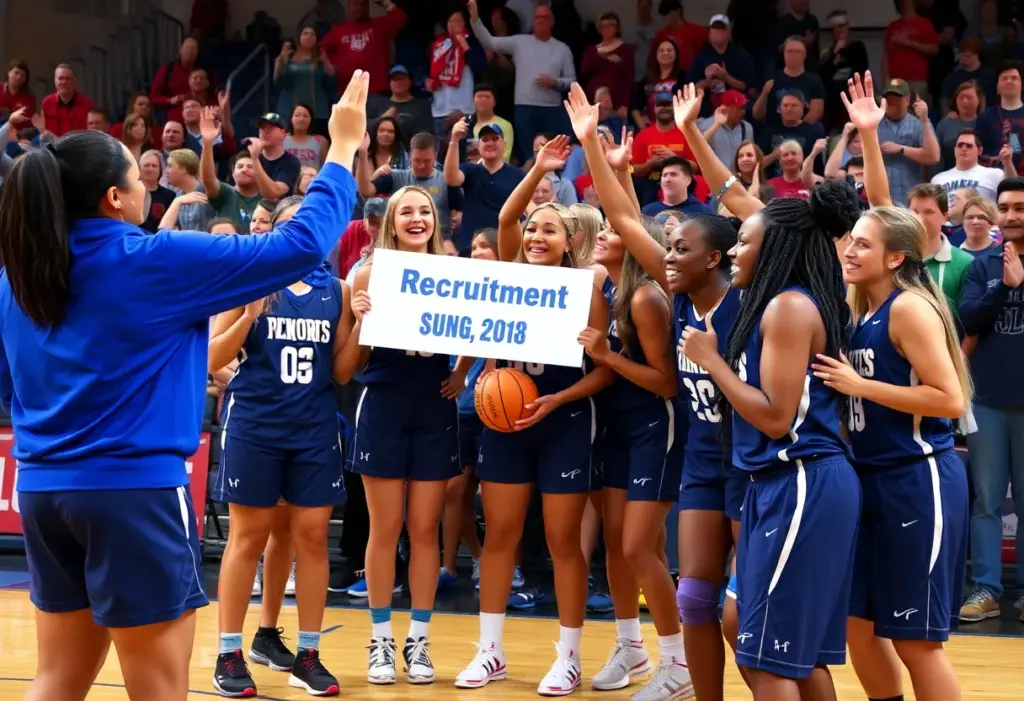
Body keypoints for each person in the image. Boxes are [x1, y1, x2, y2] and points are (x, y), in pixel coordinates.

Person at [0, 71, 368, 701]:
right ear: (116, 198)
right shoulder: (154, 258)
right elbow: (302, 245)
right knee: (160, 689)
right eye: (138, 177)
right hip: (133, 495)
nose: (148, 186)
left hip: (40, 490)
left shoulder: (18, 276)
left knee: (57, 680)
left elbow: (11, 392)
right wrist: (341, 148)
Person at [674, 81, 863, 701]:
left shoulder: (786, 306)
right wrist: (693, 133)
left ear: (773, 246)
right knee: (770, 643)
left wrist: (712, 363)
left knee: (772, 659)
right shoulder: (782, 293)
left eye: (743, 242)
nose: (733, 250)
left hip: (800, 475)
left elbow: (779, 418)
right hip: (774, 483)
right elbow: (734, 197)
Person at [811, 69, 971, 701]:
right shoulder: (858, 301)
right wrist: (869, 138)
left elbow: (950, 401)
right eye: (848, 241)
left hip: (917, 476)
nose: (850, 248)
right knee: (855, 627)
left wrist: (860, 384)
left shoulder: (908, 307)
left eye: (863, 245)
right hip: (868, 478)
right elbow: (881, 211)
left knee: (915, 640)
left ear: (896, 257)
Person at [574, 88, 738, 700]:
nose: (670, 255)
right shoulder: (661, 282)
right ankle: (662, 660)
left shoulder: (672, 297)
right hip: (692, 447)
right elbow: (619, 216)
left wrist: (608, 355)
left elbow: (666, 382)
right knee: (653, 560)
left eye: (680, 247)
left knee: (656, 554)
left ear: (714, 257)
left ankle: (683, 664)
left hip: (712, 439)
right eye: (666, 247)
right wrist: (591, 143)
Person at [455, 135, 615, 694]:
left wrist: (557, 399)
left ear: (572, 240)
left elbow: (604, 371)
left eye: (550, 228)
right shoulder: (509, 273)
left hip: (564, 418)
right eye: (532, 228)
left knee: (561, 540)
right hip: (505, 421)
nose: (536, 234)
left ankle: (568, 655)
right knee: (499, 534)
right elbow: (503, 215)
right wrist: (540, 168)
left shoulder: (588, 286)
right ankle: (490, 651)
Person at [208, 195, 355, 697]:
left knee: (312, 538)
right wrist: (248, 315)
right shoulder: (247, 279)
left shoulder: (335, 289)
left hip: (314, 427)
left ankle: (308, 654)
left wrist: (362, 324)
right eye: (291, 225)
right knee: (247, 537)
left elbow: (340, 371)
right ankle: (228, 653)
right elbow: (212, 357)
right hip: (256, 424)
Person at [342, 186, 470, 685]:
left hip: (434, 403)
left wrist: (462, 371)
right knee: (385, 528)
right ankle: (379, 640)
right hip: (384, 401)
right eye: (407, 212)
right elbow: (348, 368)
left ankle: (419, 640)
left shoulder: (456, 272)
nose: (417, 219)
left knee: (425, 530)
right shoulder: (369, 273)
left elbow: (486, 327)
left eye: (425, 211)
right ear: (391, 223)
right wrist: (360, 320)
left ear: (436, 222)